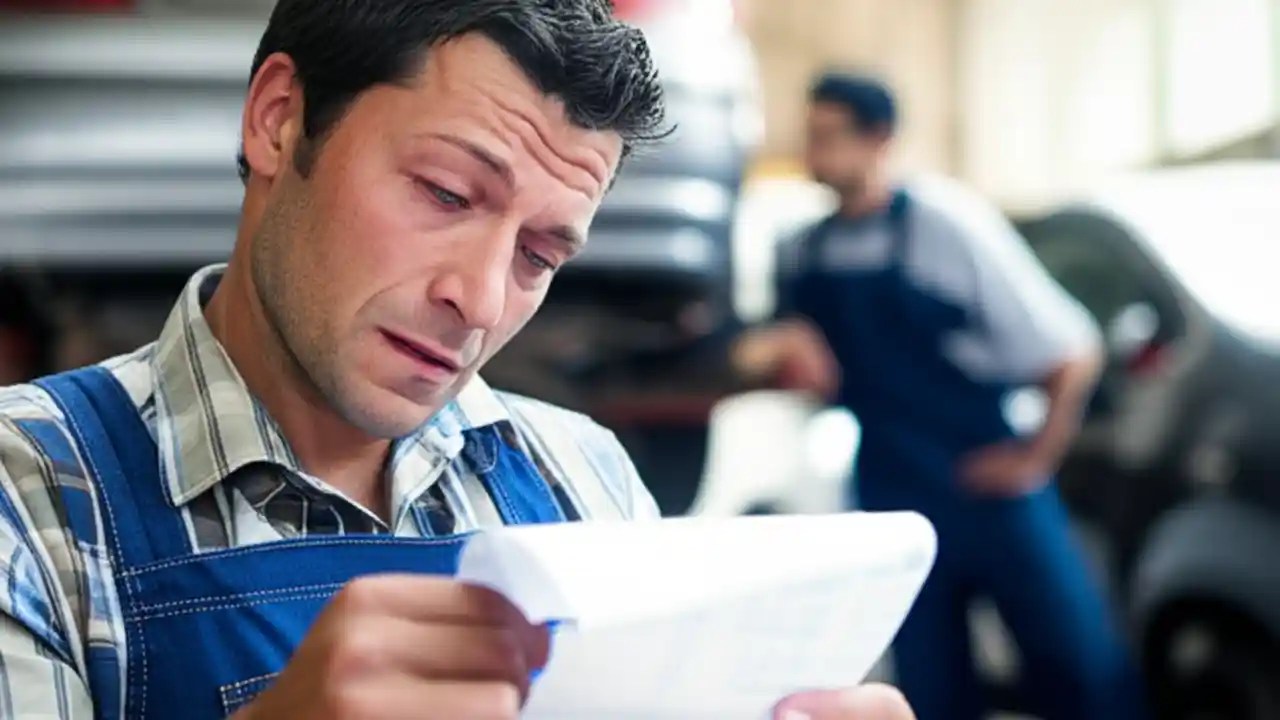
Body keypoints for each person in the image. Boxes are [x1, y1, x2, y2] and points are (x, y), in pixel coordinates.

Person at [0, 4, 913, 719]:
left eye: (540, 256)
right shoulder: (29, 499)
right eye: (445, 193)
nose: (479, 302)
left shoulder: (585, 484)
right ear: (280, 121)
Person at [734, 73, 1148, 720]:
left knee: (1081, 669)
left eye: (828, 135)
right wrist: (778, 350)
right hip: (891, 490)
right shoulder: (804, 253)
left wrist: (1036, 458)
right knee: (928, 686)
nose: (813, 151)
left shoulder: (944, 226)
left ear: (879, 140)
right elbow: (765, 353)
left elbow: (1073, 352)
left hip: (988, 481)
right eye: (808, 135)